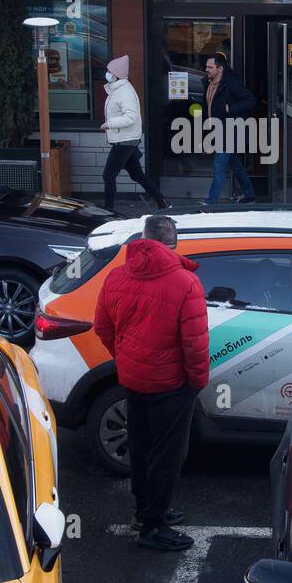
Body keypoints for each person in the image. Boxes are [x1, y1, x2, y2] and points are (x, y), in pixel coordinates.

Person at [93, 215, 209, 552]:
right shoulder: (185, 283)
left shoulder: (116, 276)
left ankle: (144, 509)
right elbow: (194, 343)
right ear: (173, 244)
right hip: (171, 384)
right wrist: (196, 382)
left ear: (142, 239)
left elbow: (102, 326)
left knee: (142, 449)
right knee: (168, 455)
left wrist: (126, 356)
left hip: (134, 379)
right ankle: (152, 525)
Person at [100, 55, 168, 212]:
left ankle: (108, 211)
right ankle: (162, 201)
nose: (107, 74)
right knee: (137, 175)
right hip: (126, 139)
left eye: (109, 71)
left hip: (125, 140)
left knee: (108, 175)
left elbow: (131, 117)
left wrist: (110, 124)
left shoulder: (124, 92)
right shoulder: (117, 89)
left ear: (116, 74)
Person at [203, 52, 257, 204]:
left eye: (210, 67)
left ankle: (210, 202)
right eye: (206, 66)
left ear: (220, 68)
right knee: (235, 165)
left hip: (231, 131)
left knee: (218, 166)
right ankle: (249, 194)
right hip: (217, 130)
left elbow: (251, 100)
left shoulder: (231, 83)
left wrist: (229, 108)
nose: (206, 69)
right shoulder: (207, 83)